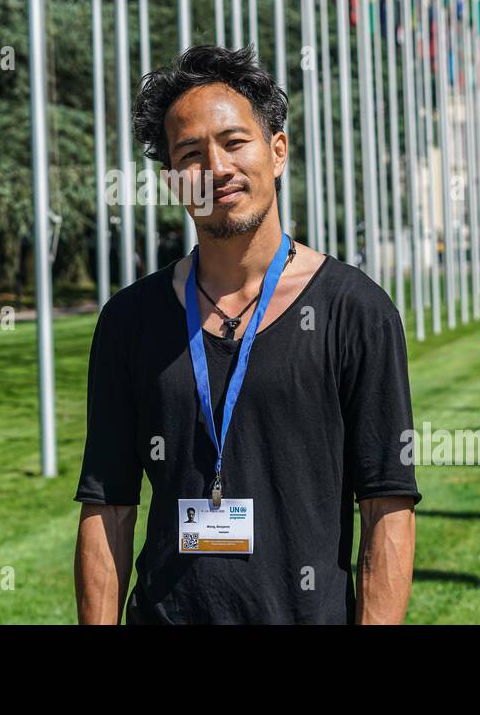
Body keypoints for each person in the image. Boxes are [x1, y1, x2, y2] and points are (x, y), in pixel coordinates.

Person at [73, 45, 420, 624]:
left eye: (235, 142)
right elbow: (106, 506)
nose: (216, 168)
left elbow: (387, 504)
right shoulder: (129, 321)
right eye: (190, 154)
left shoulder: (356, 310)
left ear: (277, 151)